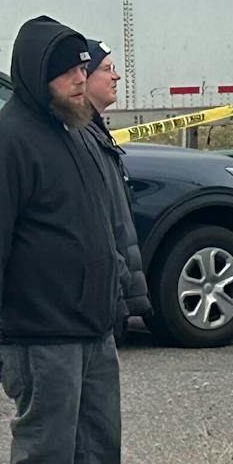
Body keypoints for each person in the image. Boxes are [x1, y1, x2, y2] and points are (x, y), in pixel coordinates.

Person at [0, 17, 161, 464]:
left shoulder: (79, 131)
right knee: (45, 450)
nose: (79, 78)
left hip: (92, 326)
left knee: (98, 443)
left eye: (82, 67)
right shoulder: (6, 142)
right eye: (67, 69)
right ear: (37, 74)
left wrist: (121, 297)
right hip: (37, 329)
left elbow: (105, 224)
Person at [84, 41, 152, 331]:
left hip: (112, 291)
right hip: (102, 293)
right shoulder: (81, 139)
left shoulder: (96, 133)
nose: (117, 76)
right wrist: (120, 278)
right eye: (107, 69)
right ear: (83, 77)